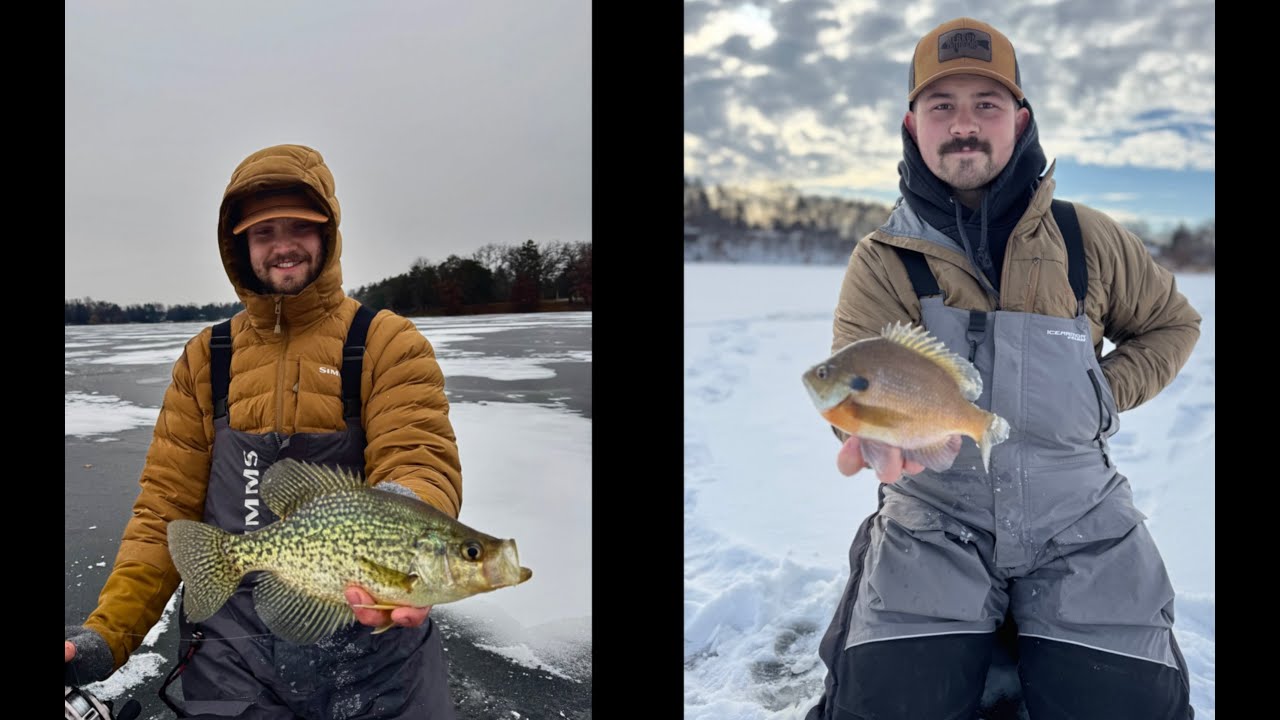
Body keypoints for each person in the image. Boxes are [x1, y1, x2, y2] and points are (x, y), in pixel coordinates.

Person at [804, 18, 1200, 720]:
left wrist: (1101, 393)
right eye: (942, 106)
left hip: (1083, 514)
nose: (964, 125)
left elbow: (1174, 324)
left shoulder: (1091, 238)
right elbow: (859, 387)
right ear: (912, 123)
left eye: (986, 105)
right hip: (934, 514)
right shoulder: (881, 259)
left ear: (1020, 120)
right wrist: (868, 438)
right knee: (889, 704)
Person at [64, 143, 464, 719]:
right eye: (262, 231)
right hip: (233, 657)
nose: (282, 245)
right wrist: (111, 632)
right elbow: (163, 508)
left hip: (375, 649)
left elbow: (418, 456)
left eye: (299, 226)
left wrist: (399, 528)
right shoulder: (208, 357)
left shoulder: (387, 341)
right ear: (238, 247)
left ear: (327, 234)